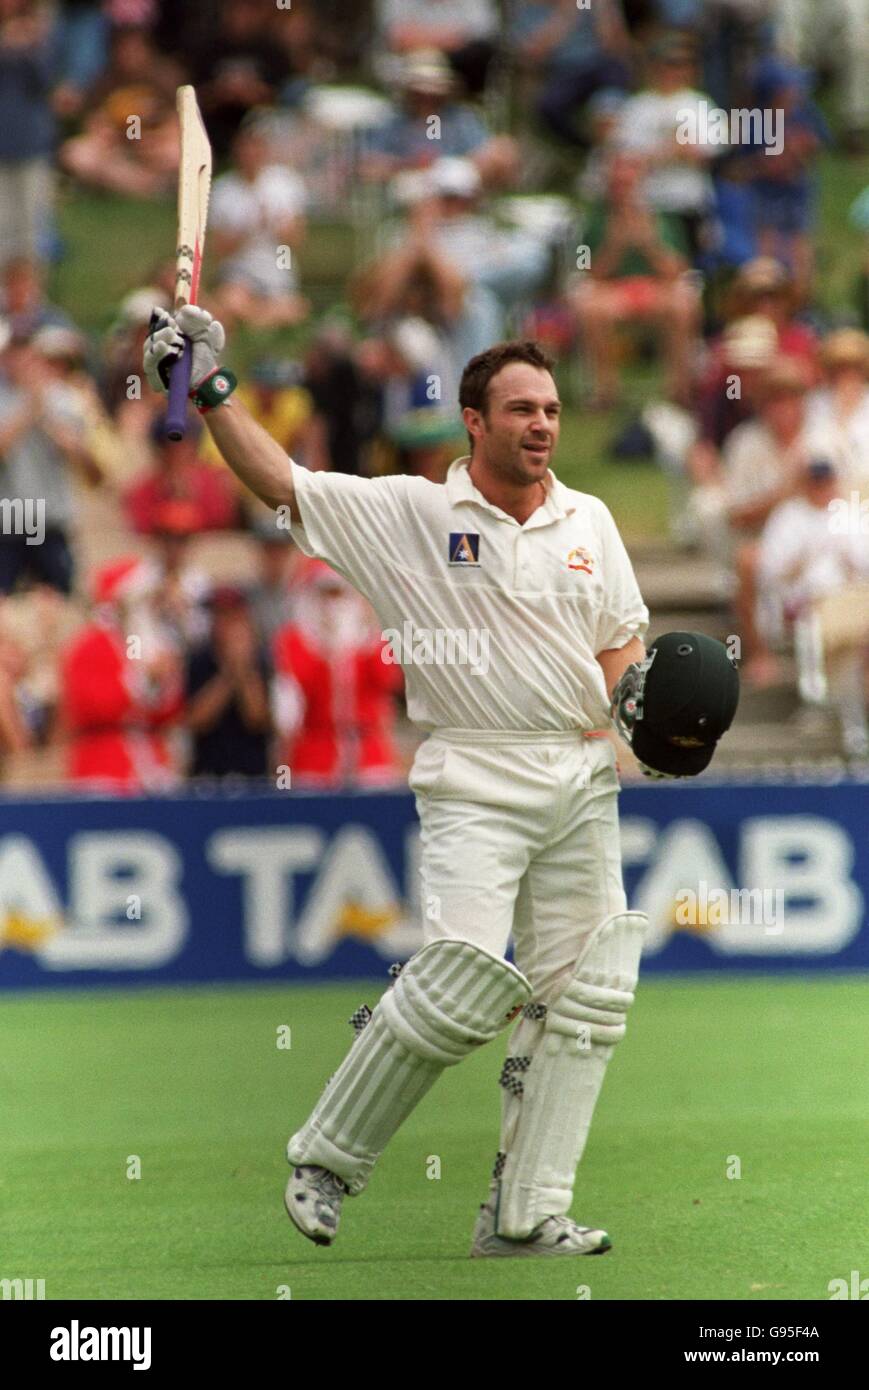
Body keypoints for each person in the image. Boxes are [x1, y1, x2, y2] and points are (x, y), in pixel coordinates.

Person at [144, 309, 652, 1258]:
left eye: (549, 409)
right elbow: (279, 481)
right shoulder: (409, 515)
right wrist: (212, 389)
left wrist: (643, 719)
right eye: (519, 410)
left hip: (581, 772)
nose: (541, 425)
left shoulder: (590, 520)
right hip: (474, 772)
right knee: (458, 979)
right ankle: (324, 1161)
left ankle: (525, 1215)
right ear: (473, 421)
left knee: (586, 998)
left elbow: (618, 641)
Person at [186, 586, 273, 781]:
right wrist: (229, 673)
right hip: (208, 774)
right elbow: (197, 720)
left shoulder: (263, 660)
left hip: (253, 774)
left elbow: (258, 718)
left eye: (230, 615)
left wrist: (244, 668)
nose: (223, 623)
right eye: (218, 615)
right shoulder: (198, 660)